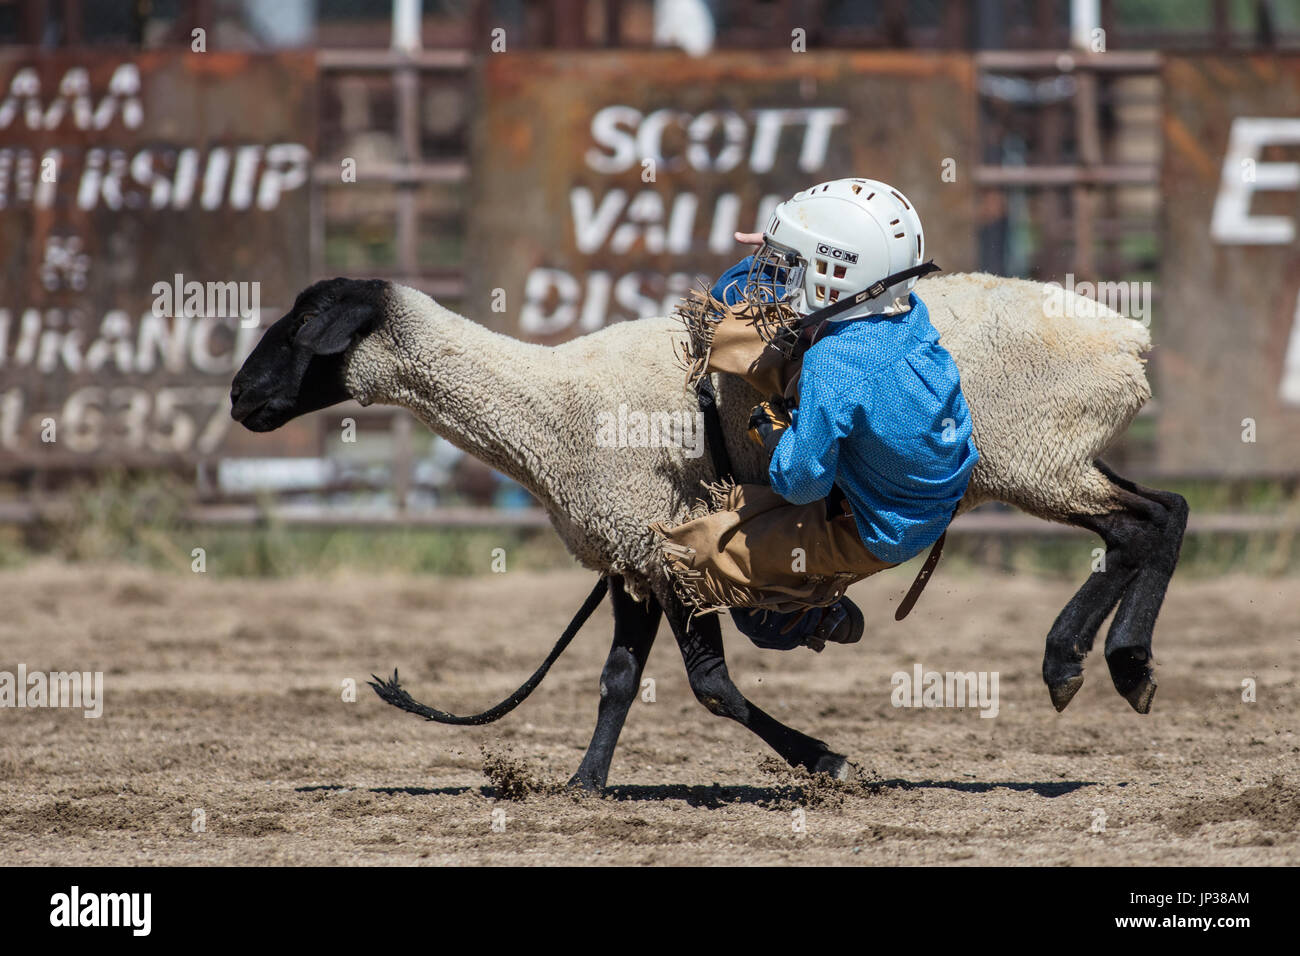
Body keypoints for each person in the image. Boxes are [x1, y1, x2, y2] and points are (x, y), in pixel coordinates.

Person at [681, 178, 980, 651]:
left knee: (703, 554)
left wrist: (776, 436)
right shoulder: (904, 306)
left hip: (883, 527)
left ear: (832, 272)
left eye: (791, 262)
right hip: (922, 483)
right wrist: (792, 251)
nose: (777, 269)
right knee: (740, 302)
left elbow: (803, 485)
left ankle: (813, 615)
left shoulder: (834, 364)